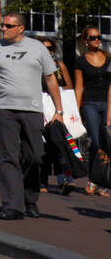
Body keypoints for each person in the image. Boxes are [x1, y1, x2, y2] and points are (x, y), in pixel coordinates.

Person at [0, 11, 65, 219]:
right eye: (3, 25)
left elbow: (50, 79)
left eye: (9, 26)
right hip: (6, 110)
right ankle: (13, 206)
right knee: (8, 158)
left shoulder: (37, 48)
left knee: (36, 157)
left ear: (20, 28)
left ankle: (30, 199)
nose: (4, 29)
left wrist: (59, 111)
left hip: (32, 110)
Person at [39, 40, 76, 194]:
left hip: (57, 107)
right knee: (43, 146)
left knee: (60, 143)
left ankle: (65, 180)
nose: (47, 51)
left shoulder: (59, 66)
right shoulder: (35, 66)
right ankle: (42, 181)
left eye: (49, 48)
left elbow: (68, 88)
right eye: (43, 48)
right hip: (41, 106)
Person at [73, 25, 111, 170]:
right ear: (85, 41)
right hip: (90, 103)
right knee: (95, 141)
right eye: (92, 38)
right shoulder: (81, 61)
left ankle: (102, 181)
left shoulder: (108, 57)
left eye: (98, 37)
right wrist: (76, 111)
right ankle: (93, 178)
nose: (96, 40)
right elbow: (79, 87)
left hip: (108, 102)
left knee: (107, 141)